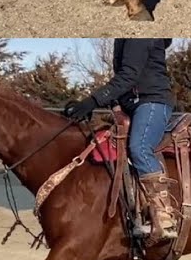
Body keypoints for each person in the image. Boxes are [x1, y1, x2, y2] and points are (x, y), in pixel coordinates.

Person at [61, 38, 178, 244]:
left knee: (140, 147)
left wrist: (93, 101)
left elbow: (129, 75)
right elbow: (122, 77)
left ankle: (164, 215)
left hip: (152, 101)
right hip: (132, 103)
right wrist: (114, 106)